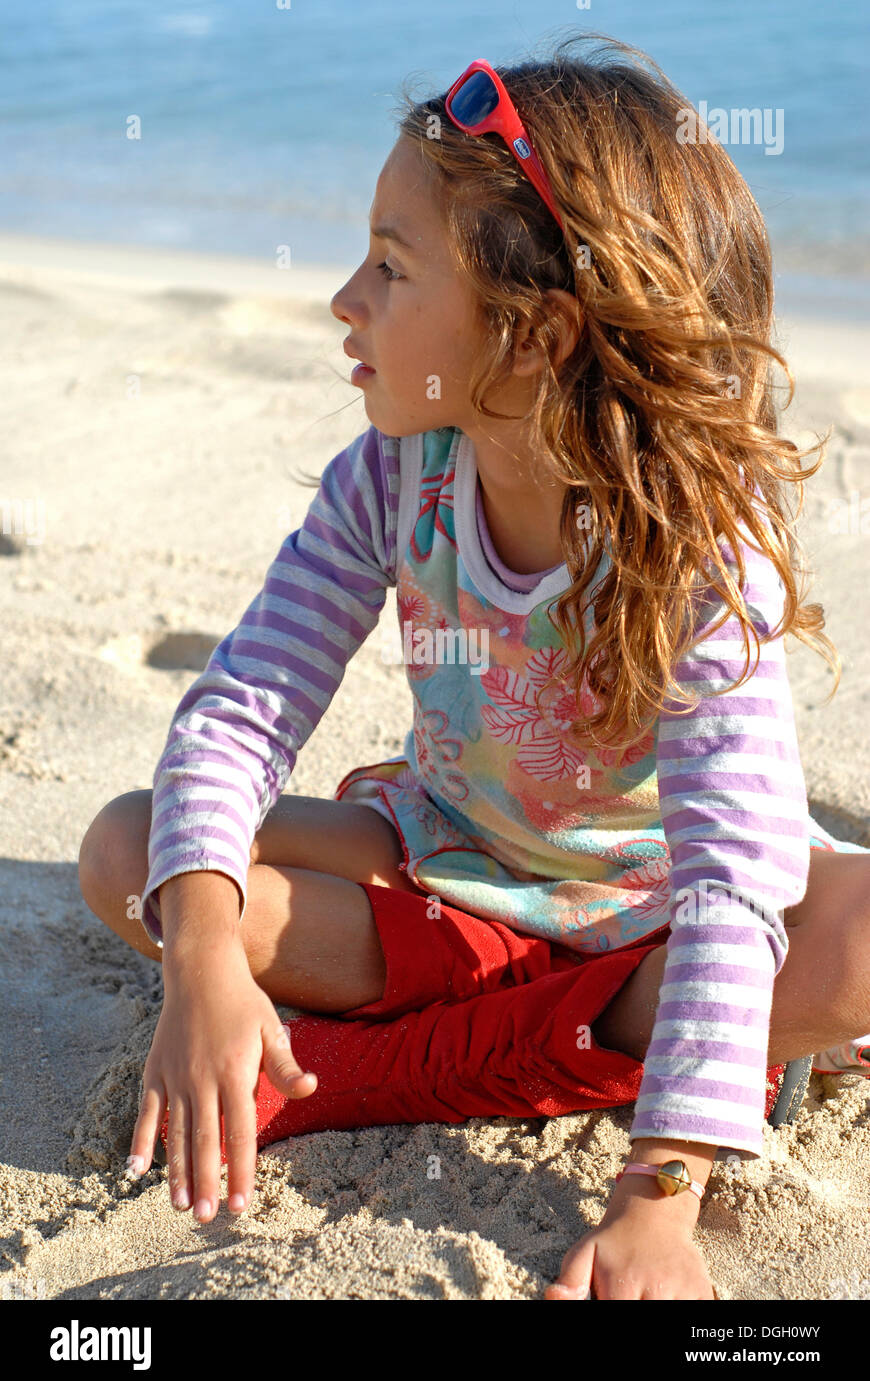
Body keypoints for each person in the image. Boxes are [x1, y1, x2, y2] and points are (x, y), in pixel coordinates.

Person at [78, 36, 870, 1301]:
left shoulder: (696, 565)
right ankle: (568, 1042)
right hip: (443, 862)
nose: (345, 298)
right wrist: (205, 963)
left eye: (390, 269)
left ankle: (411, 1060)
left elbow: (731, 888)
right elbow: (240, 712)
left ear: (536, 335)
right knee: (134, 858)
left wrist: (658, 1199)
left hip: (649, 921)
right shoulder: (394, 480)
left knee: (858, 938)